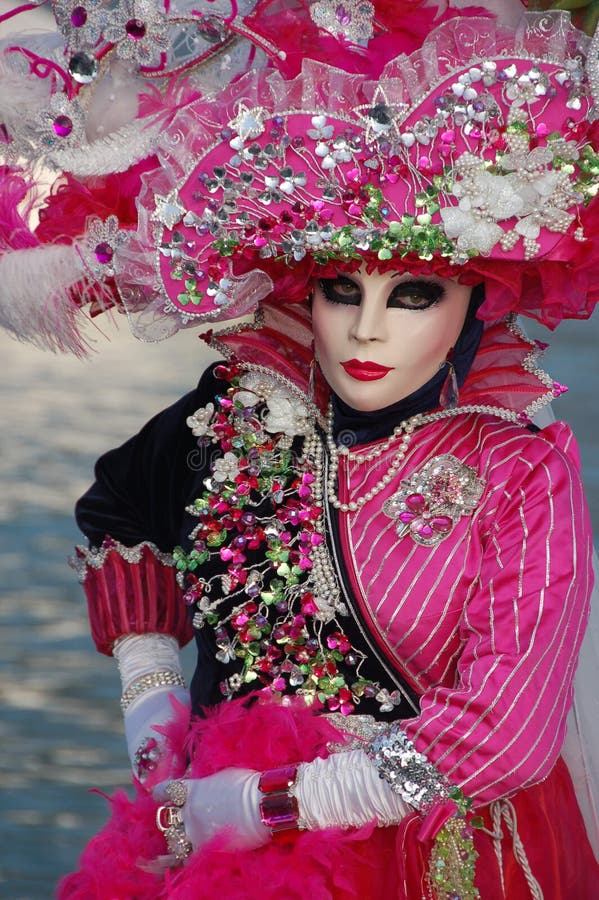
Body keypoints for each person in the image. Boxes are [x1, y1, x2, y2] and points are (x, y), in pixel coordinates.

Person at [1, 1, 599, 898]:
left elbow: (502, 737)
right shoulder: (237, 411)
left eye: (413, 295)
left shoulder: (518, 471)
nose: (364, 329)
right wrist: (152, 699)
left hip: (422, 856)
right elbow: (123, 505)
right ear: (301, 288)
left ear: (474, 306)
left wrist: (269, 806)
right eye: (337, 287)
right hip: (200, 836)